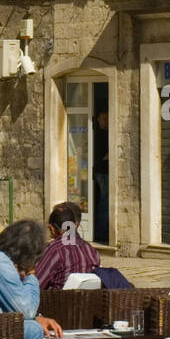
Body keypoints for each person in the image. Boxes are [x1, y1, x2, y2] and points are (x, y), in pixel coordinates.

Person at [35, 202, 100, 289]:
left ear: (52, 228)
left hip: (58, 301)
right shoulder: (91, 251)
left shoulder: (55, 250)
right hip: (87, 300)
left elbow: (36, 285)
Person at [93, 110, 109, 242]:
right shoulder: (98, 135)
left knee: (104, 200)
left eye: (108, 119)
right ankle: (100, 231)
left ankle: (101, 230)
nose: (106, 121)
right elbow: (100, 156)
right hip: (102, 172)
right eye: (104, 119)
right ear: (98, 120)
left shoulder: (105, 134)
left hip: (103, 172)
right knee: (105, 201)